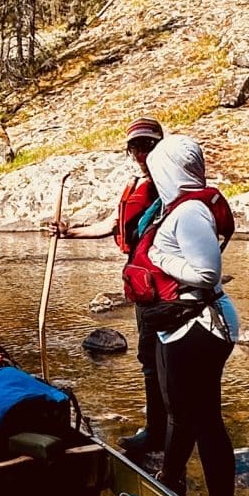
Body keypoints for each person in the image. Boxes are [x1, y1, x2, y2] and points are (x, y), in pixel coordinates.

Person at [123, 133, 239, 496]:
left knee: (205, 421)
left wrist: (159, 258)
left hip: (201, 325)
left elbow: (208, 274)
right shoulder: (175, 208)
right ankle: (171, 481)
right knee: (180, 411)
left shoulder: (189, 213)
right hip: (178, 324)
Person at [112, 118, 166, 460]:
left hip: (163, 289)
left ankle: (161, 434)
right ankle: (158, 431)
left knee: (159, 360)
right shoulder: (139, 187)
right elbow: (115, 227)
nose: (141, 153)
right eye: (136, 147)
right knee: (149, 357)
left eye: (148, 145)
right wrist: (69, 231)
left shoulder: (170, 186)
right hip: (143, 287)